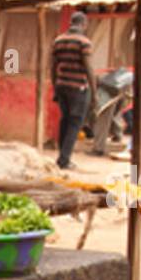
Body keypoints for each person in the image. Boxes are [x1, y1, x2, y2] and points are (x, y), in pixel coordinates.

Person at [49, 10, 97, 170]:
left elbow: (53, 66)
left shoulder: (58, 40)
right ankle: (64, 159)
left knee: (65, 120)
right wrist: (94, 92)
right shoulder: (84, 42)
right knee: (75, 123)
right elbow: (88, 67)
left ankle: (62, 156)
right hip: (78, 87)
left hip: (62, 85)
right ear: (84, 24)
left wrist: (55, 86)